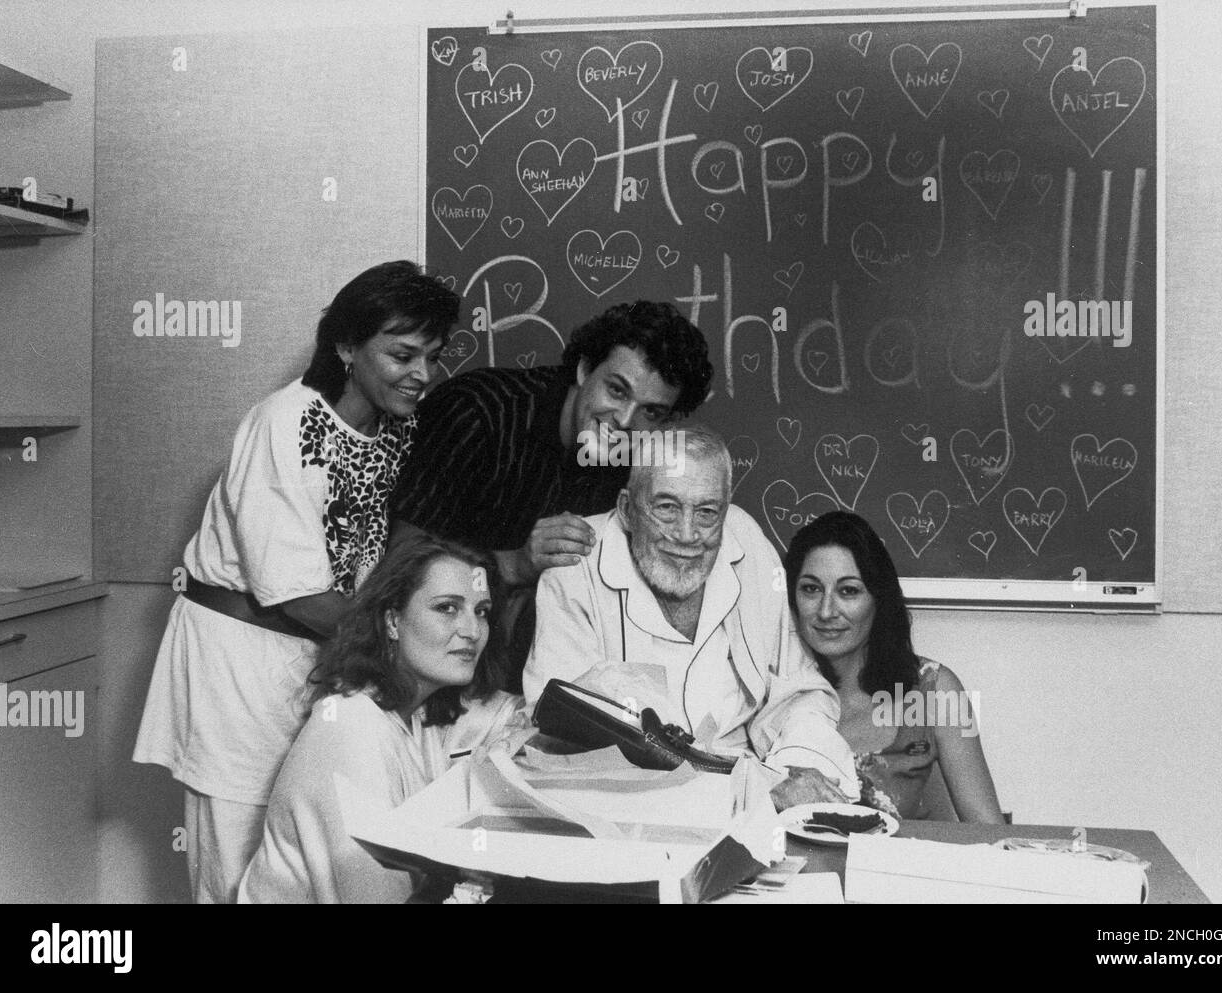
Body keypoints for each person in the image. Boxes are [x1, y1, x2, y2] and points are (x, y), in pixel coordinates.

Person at [133, 261, 461, 903]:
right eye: (401, 354)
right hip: (241, 671)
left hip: (323, 664)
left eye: (431, 356)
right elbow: (295, 591)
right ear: (345, 347)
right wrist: (405, 647)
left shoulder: (397, 434)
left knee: (294, 867)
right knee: (232, 865)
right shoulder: (284, 421)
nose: (420, 374)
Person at [523, 426, 859, 810]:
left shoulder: (745, 540)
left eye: (706, 512)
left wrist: (800, 767)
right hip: (624, 808)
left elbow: (797, 689)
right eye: (666, 507)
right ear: (627, 509)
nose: (686, 534)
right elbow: (572, 733)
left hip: (758, 794)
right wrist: (759, 790)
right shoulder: (574, 568)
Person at [388, 300, 713, 682]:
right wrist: (513, 565)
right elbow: (400, 566)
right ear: (583, 368)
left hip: (531, 672)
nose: (625, 421)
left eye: (651, 412)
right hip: (417, 665)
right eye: (616, 390)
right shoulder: (479, 412)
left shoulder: (633, 460)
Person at [238, 534, 523, 903]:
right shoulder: (352, 730)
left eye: (481, 611)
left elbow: (515, 716)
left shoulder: (410, 712)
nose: (471, 631)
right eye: (447, 608)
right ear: (392, 621)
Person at [785, 511, 1003, 822]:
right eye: (810, 589)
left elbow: (987, 827)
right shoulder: (771, 686)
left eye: (848, 591)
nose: (826, 610)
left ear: (878, 598)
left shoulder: (935, 690)